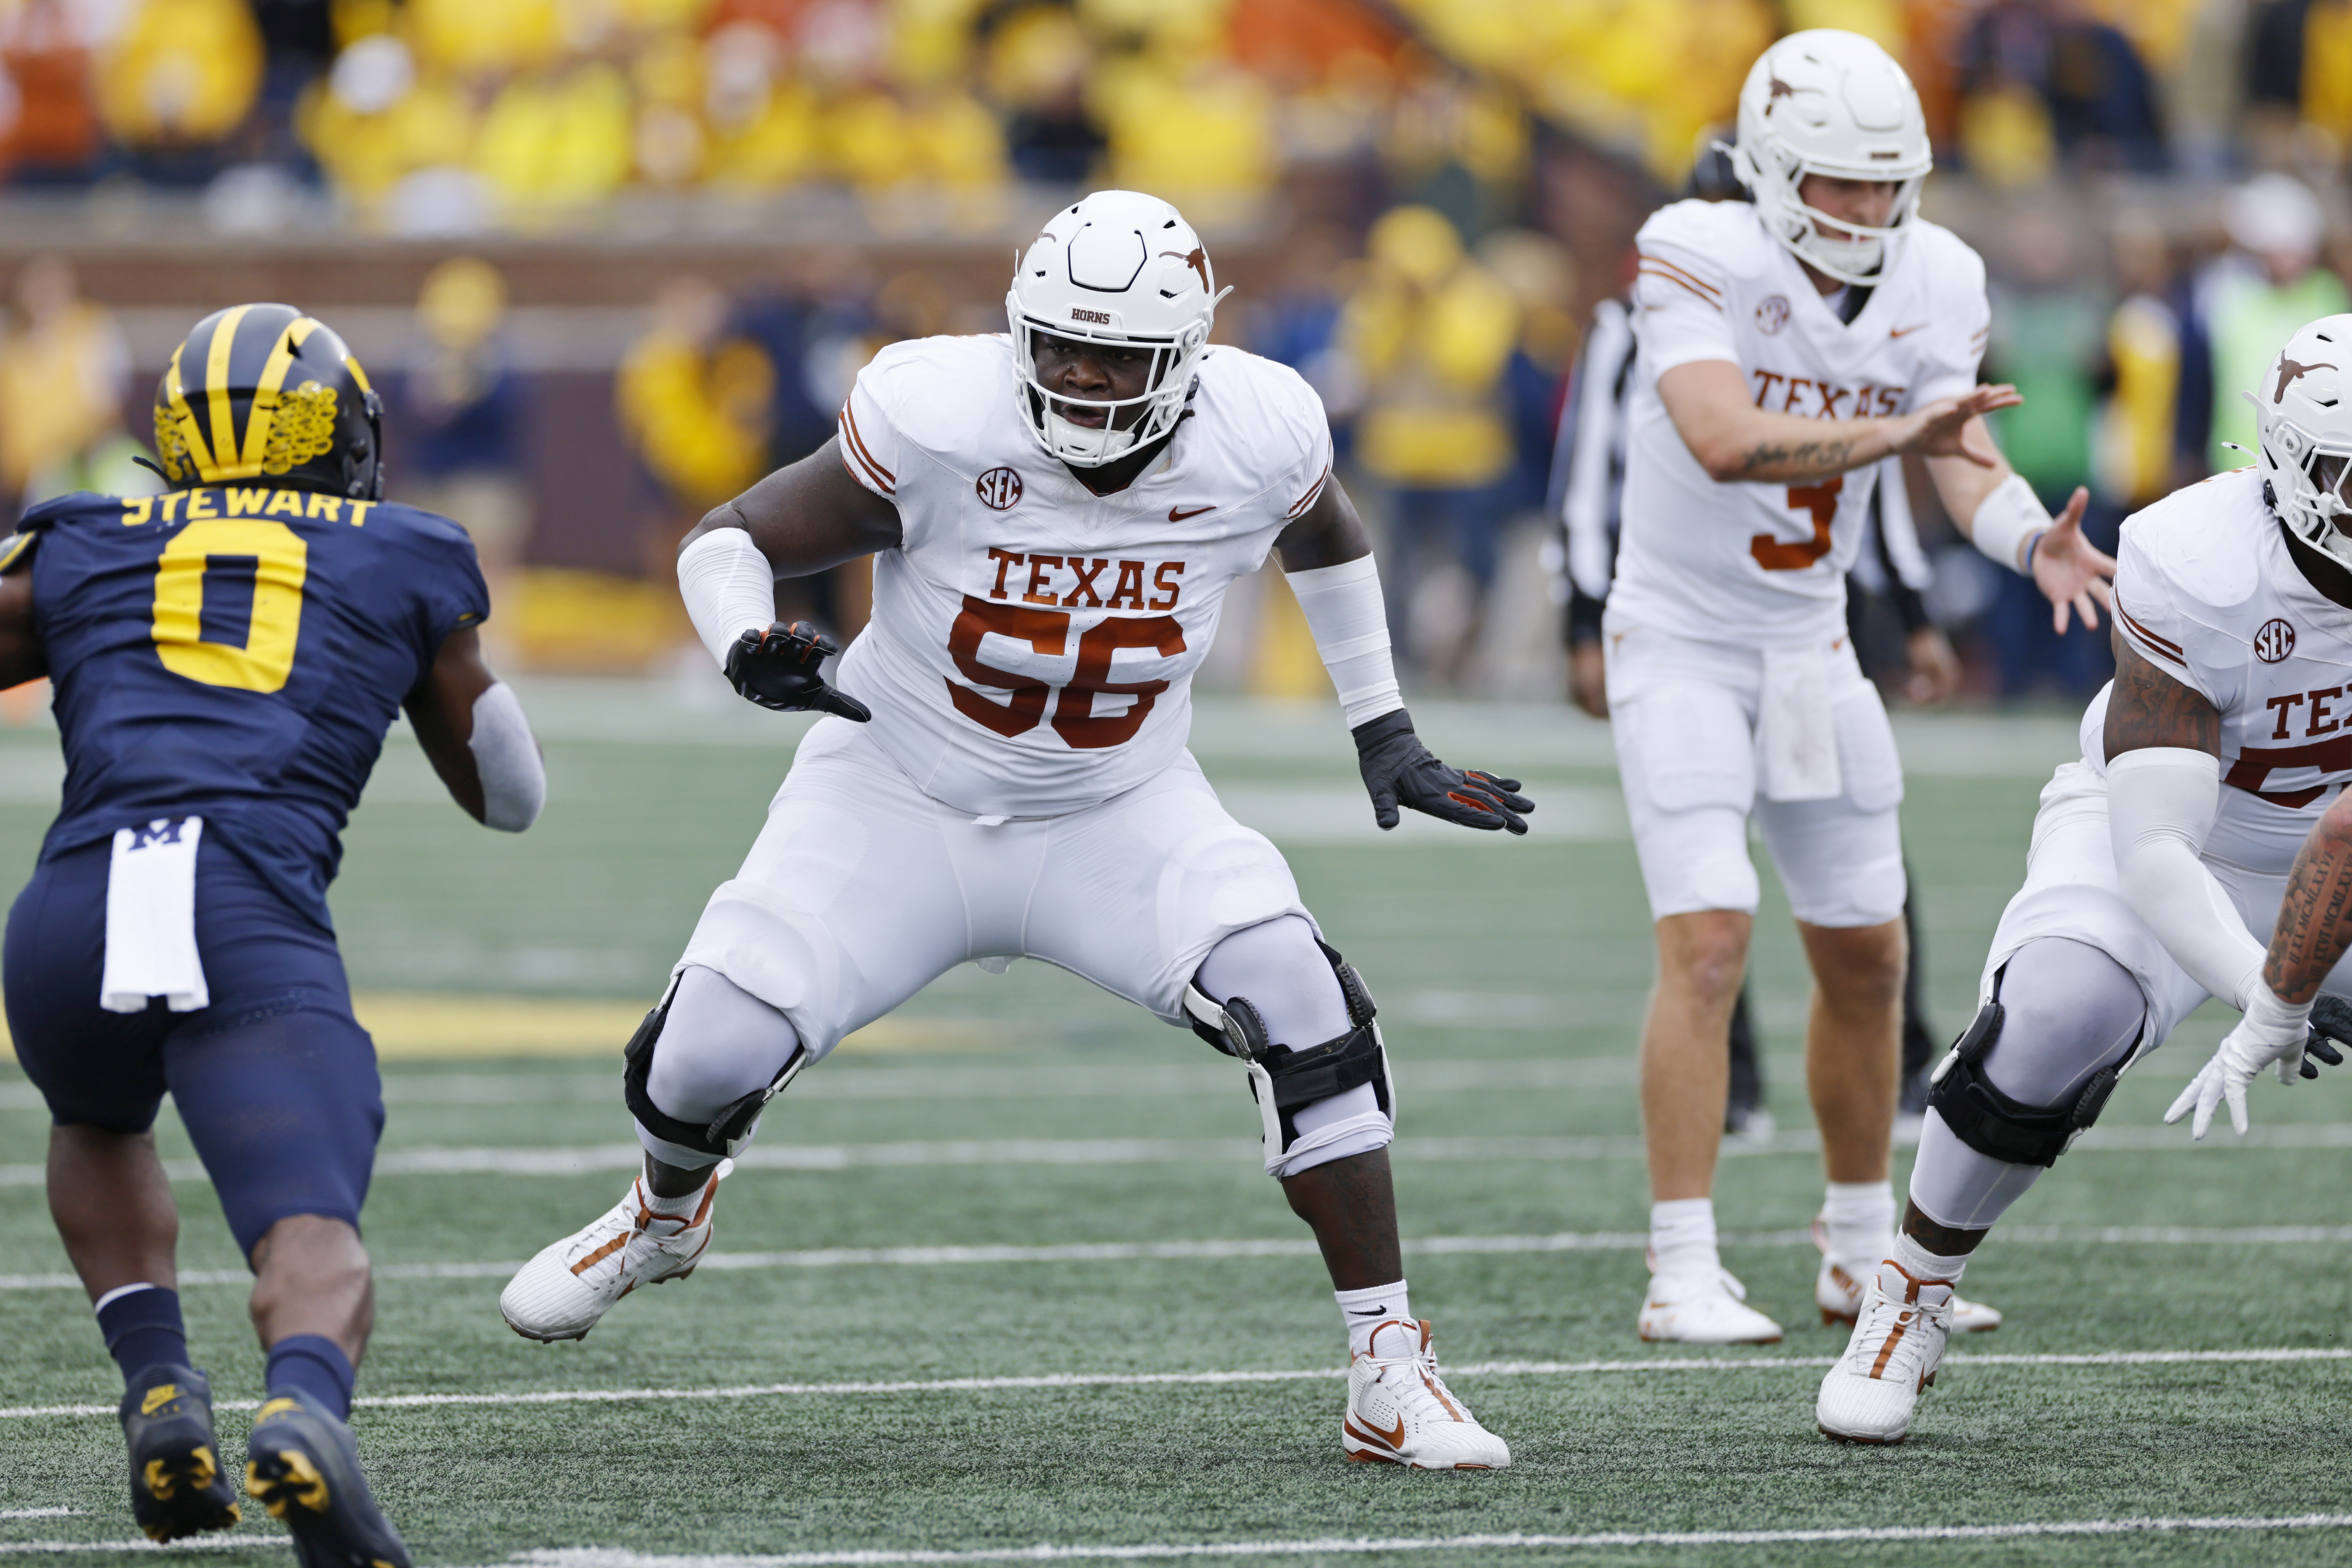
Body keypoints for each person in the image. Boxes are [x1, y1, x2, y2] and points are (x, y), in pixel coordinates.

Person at [498, 189, 1530, 1471]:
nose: (1082, 377)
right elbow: (732, 538)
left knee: (1306, 1004)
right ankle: (664, 1213)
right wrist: (748, 644)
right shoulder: (939, 414)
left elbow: (1326, 532)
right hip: (898, 792)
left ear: (1190, 357)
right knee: (698, 1056)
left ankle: (1388, 1371)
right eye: (1059, 346)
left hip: (1120, 806)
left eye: (1117, 356)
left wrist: (1384, 727)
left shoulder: (1260, 429)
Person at [0, 304, 546, 1559]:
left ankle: (157, 1389)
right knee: (309, 1225)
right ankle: (301, 1406)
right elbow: (510, 800)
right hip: (241, 897)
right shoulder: (404, 552)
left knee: (95, 1118)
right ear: (344, 438)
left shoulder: (87, 539)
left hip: (72, 906)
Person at [1603, 30, 2112, 1347]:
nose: (1871, 212)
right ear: (1774, 173)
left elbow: (1964, 451)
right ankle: (1680, 1267)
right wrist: (1898, 433)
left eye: (1892, 185)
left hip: (1811, 647)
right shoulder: (1696, 250)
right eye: (1842, 184)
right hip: (1682, 643)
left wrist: (2025, 540)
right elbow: (1720, 438)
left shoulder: (1936, 272)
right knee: (1709, 941)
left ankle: (1851, 1248)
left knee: (1872, 956)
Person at [1816, 314, 2352, 1444]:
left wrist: (2301, 973)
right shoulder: (2199, 561)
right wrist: (2271, 990)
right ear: (2294, 469)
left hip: (2340, 850)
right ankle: (1912, 1287)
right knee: (2056, 1020)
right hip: (2181, 838)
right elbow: (2157, 846)